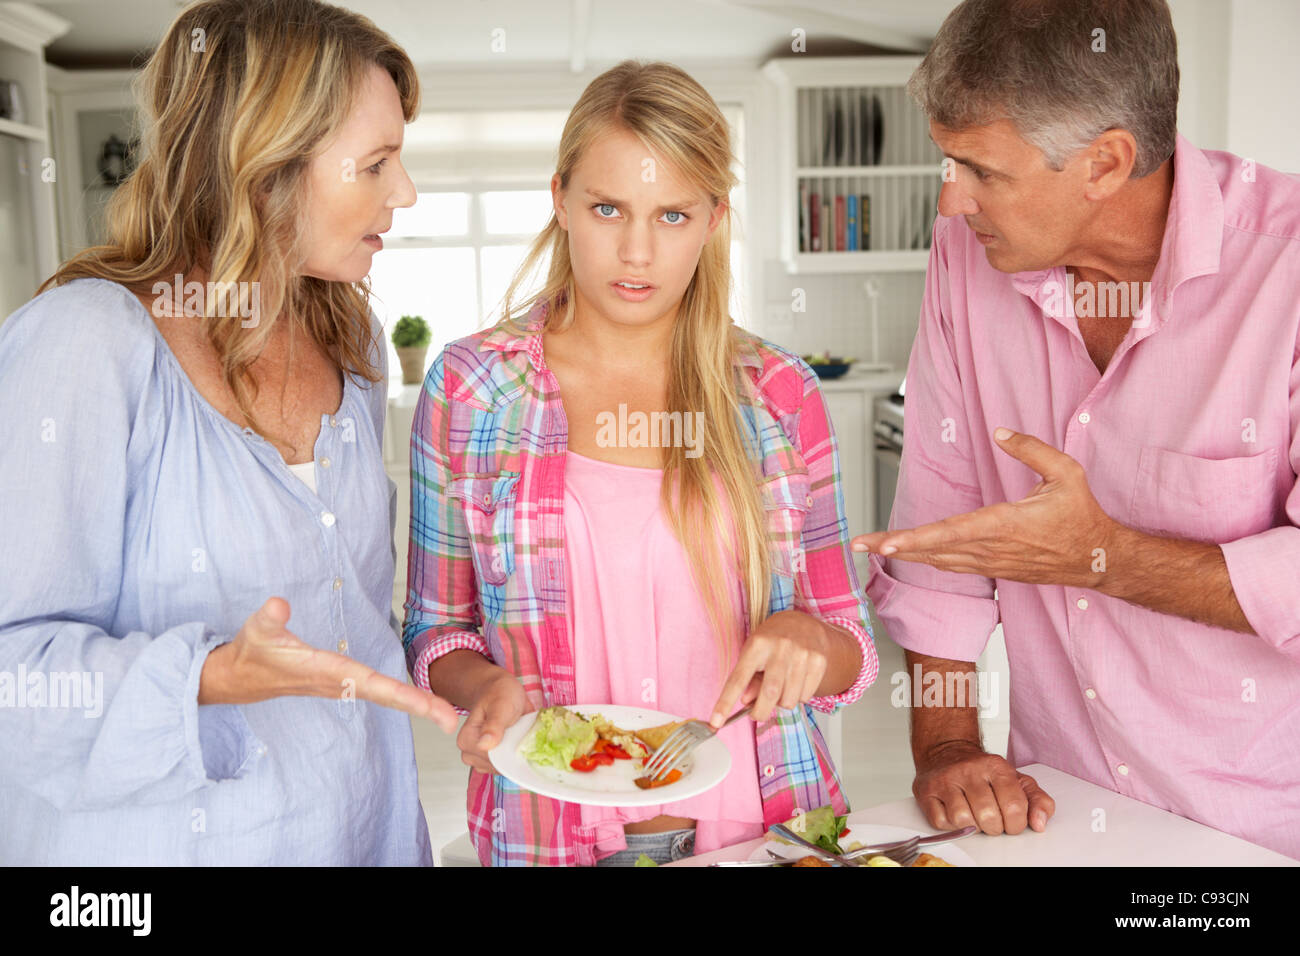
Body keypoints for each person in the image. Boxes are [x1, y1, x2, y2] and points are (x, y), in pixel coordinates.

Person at [0, 0, 459, 865]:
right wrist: (211, 676)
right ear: (265, 167)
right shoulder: (83, 344)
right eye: (375, 163)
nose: (404, 191)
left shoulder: (352, 340)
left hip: (360, 836)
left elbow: (357, 612)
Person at [403, 60, 879, 867]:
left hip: (768, 827)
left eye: (673, 215)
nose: (636, 251)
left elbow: (851, 645)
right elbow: (435, 627)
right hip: (548, 829)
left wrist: (811, 640)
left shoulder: (779, 392)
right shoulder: (470, 388)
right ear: (559, 200)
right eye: (607, 208)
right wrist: (482, 687)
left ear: (714, 219)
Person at [854, 0, 1300, 860]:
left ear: (1105, 162)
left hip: (1258, 836)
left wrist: (1101, 556)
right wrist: (948, 745)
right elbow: (939, 538)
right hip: (1057, 817)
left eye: (981, 170)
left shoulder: (1287, 268)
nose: (951, 198)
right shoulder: (965, 254)